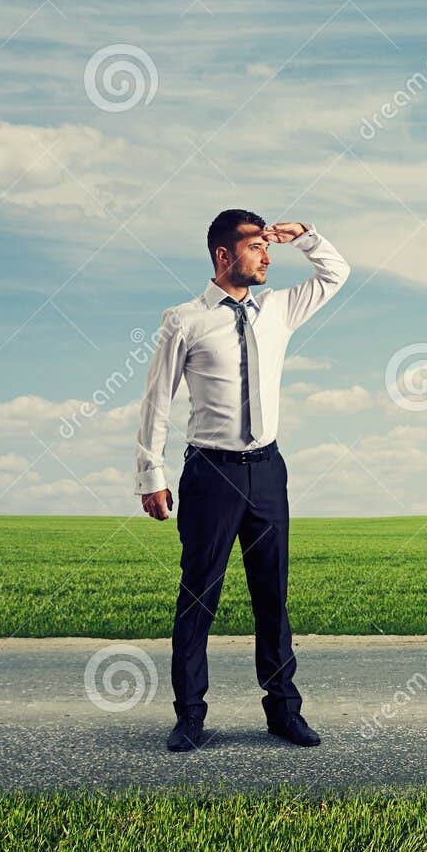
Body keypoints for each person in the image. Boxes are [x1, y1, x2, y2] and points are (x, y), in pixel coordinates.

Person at [135, 209, 350, 753]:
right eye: (257, 246)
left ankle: (284, 712)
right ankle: (189, 716)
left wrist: (306, 235)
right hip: (210, 473)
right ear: (223, 256)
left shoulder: (279, 308)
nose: (267, 256)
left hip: (267, 472)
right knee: (198, 597)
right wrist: (150, 473)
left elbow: (335, 273)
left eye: (267, 246)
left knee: (271, 597)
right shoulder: (183, 319)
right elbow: (157, 400)